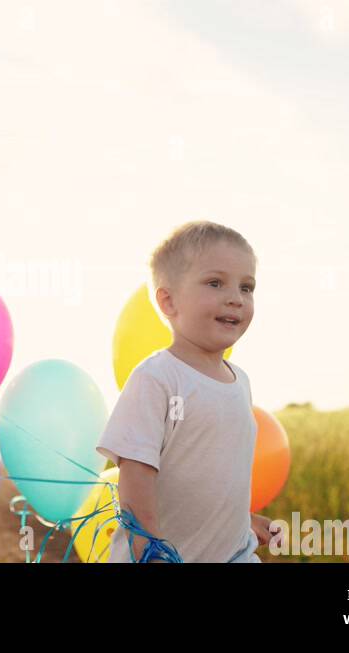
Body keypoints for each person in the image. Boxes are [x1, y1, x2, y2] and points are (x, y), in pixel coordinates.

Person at [96, 220, 281, 562]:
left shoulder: (240, 381)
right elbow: (136, 482)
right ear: (168, 301)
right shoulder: (157, 378)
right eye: (215, 283)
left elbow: (217, 478)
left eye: (247, 287)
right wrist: (150, 551)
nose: (235, 299)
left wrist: (243, 521)